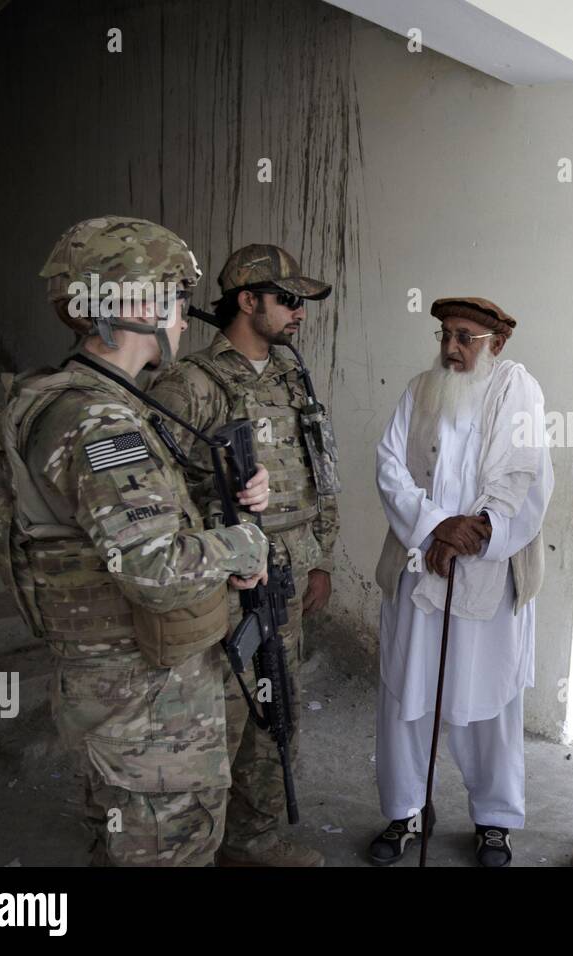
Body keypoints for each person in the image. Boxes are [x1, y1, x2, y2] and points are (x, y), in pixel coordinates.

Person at [0, 216, 271, 866]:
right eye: (177, 301)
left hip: (126, 694)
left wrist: (218, 502)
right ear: (138, 304)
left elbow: (122, 530)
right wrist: (244, 547)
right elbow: (156, 568)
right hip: (145, 707)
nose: (182, 322)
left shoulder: (92, 405)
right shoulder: (97, 423)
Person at [149, 243, 341, 867]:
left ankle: (252, 839)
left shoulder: (294, 377)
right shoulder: (191, 384)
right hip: (222, 576)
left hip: (287, 565)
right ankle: (193, 841)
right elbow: (156, 497)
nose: (299, 312)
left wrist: (322, 558)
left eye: (302, 302)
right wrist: (218, 537)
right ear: (247, 300)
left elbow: (321, 472)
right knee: (219, 711)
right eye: (288, 299)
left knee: (274, 702)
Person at [371, 296, 553, 866]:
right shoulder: (420, 389)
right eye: (445, 335)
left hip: (489, 573)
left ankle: (494, 820)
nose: (450, 348)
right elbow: (389, 465)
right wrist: (433, 527)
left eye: (465, 338)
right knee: (406, 693)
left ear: (496, 344)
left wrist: (470, 535)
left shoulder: (518, 391)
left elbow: (525, 479)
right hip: (421, 563)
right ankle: (404, 811)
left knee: (491, 702)